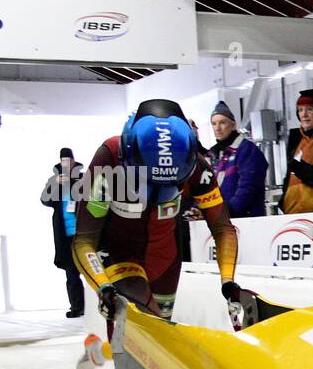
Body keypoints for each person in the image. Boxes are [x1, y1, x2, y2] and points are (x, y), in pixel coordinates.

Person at [72, 99, 240, 326]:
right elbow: (84, 239)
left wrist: (228, 280)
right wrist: (103, 285)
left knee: (158, 334)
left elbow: (222, 228)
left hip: (164, 257)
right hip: (118, 253)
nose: (156, 194)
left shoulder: (197, 165)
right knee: (145, 322)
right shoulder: (108, 160)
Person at [39, 147, 86, 318]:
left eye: (69, 160)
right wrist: (54, 185)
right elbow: (45, 200)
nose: (66, 163)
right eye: (63, 160)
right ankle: (77, 306)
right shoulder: (55, 180)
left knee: (89, 271)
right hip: (64, 233)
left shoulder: (83, 178)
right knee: (71, 272)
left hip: (83, 233)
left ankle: (98, 305)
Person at [208, 101, 267, 218]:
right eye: (214, 124)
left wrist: (230, 211)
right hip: (220, 221)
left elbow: (249, 186)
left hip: (245, 221)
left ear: (233, 125)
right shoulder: (213, 154)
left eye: (222, 123)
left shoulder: (247, 150)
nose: (217, 128)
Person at [282, 89, 313, 213]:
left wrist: (300, 169)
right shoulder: (295, 139)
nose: (304, 114)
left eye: (310, 110)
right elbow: (288, 177)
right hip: (291, 212)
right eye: (300, 110)